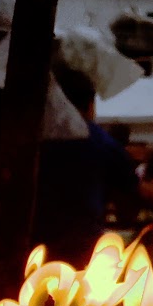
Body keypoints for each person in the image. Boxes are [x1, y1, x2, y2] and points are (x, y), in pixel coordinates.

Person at [36, 67, 138, 257]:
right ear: (91, 104)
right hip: (80, 247)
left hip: (29, 244)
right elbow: (129, 202)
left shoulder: (33, 134)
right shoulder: (100, 141)